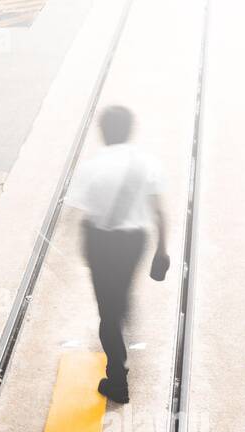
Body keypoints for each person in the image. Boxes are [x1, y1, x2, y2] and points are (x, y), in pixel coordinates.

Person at [64, 105, 169, 405]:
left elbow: (76, 211)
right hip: (135, 242)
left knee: (107, 314)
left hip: (100, 241)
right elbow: (159, 211)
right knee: (120, 295)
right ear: (130, 129)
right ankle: (122, 309)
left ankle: (117, 380)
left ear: (102, 131)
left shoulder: (92, 166)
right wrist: (161, 251)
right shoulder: (146, 163)